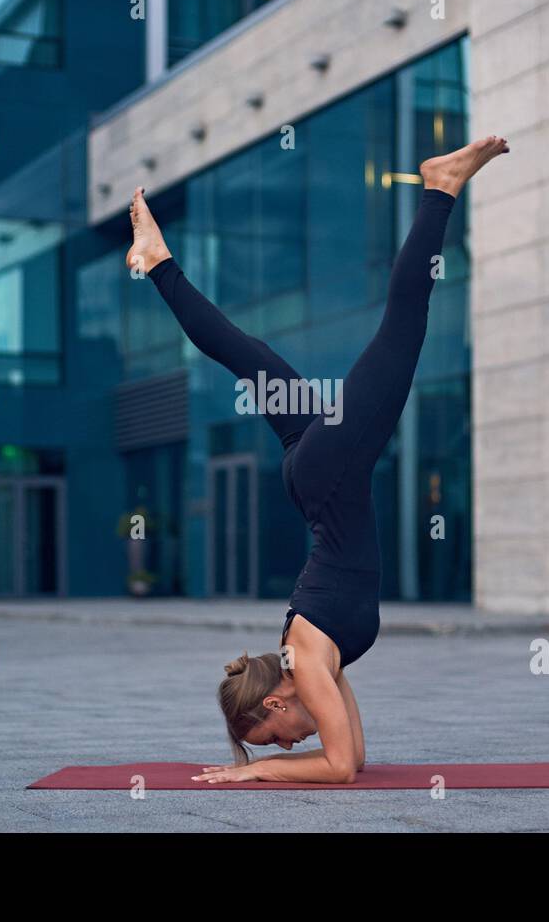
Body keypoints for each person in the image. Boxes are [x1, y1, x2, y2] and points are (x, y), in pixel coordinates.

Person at [125, 136, 510, 783]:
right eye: (273, 749)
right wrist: (271, 763)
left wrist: (254, 775)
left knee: (402, 327)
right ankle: (159, 262)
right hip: (316, 475)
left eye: (272, 738)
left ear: (275, 700)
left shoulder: (306, 659)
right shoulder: (311, 665)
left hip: (328, 474)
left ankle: (441, 187)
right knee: (248, 355)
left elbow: (335, 768)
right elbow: (350, 758)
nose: (283, 747)